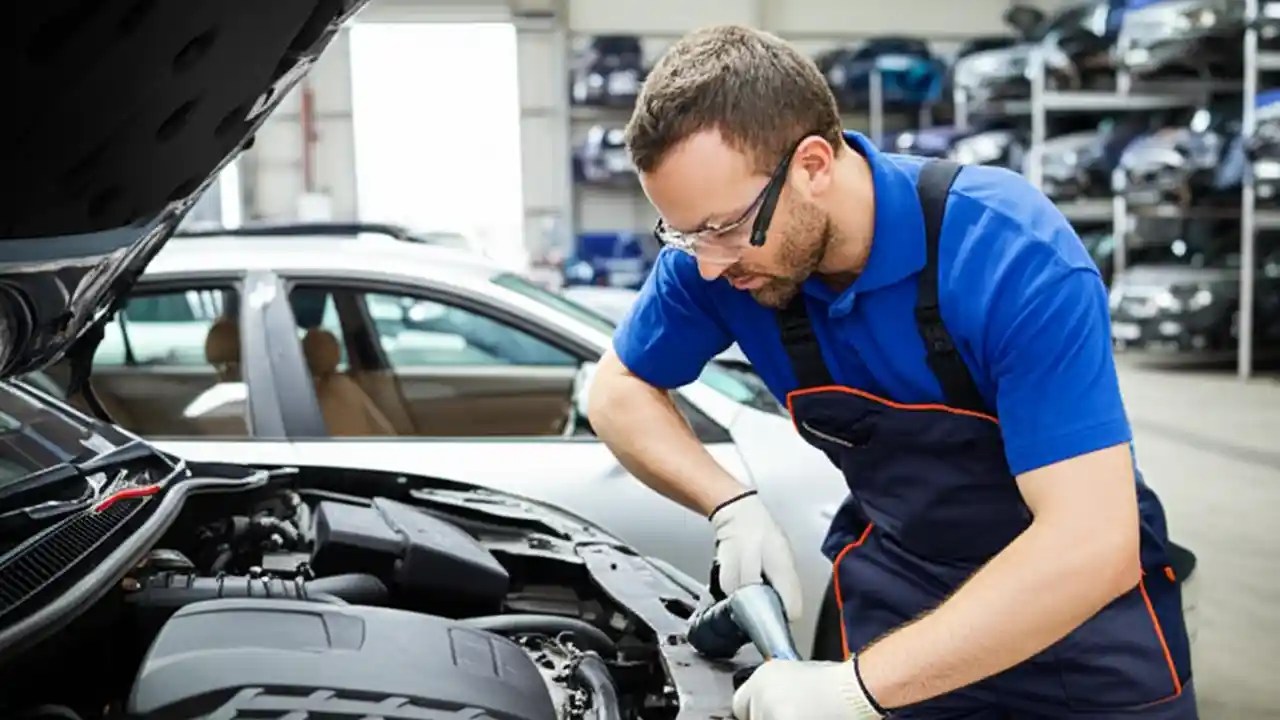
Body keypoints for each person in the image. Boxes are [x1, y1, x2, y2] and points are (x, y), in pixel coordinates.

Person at [585, 24, 1196, 720]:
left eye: (722, 229)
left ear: (813, 165)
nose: (707, 264)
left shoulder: (1007, 253)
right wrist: (730, 506)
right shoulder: (719, 260)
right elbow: (617, 388)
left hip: (1082, 642)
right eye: (683, 236)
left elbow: (1092, 540)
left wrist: (853, 689)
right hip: (901, 611)